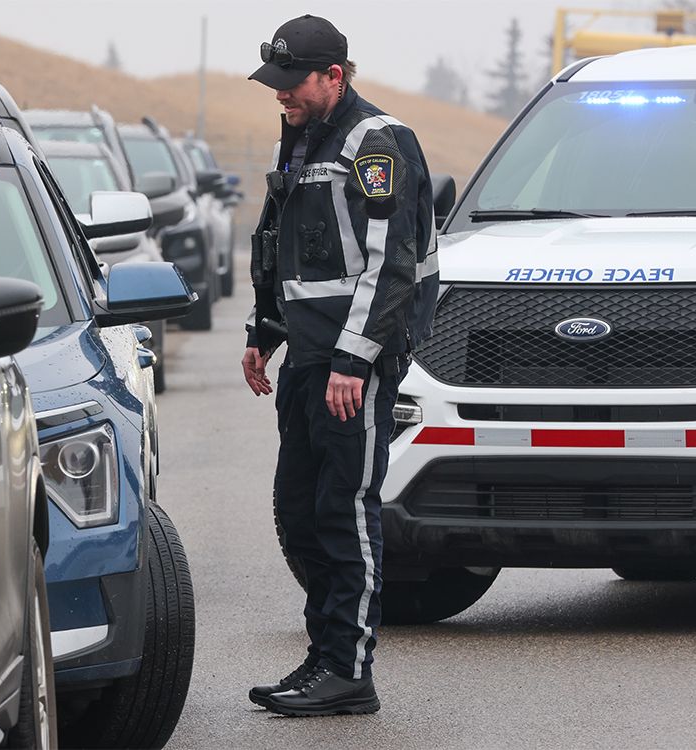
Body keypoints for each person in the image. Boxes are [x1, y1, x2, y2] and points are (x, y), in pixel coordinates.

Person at [241, 14, 439, 717]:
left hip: (354, 366)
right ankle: (323, 656)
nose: (281, 95)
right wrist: (263, 332)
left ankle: (349, 672)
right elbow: (283, 243)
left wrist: (354, 361)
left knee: (343, 511)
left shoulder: (376, 143)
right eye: (276, 83)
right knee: (297, 511)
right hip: (308, 357)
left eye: (292, 83)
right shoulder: (299, 137)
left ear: (336, 76)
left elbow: (393, 267)